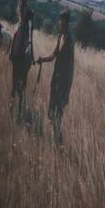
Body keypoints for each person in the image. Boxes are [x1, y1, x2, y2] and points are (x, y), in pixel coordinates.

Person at [35, 8, 77, 146]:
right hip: (56, 79)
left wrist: (66, 91)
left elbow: (71, 68)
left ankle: (58, 142)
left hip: (63, 82)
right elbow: (53, 55)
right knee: (52, 113)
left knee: (58, 114)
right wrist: (42, 59)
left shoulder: (69, 41)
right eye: (60, 20)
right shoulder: (60, 37)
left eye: (62, 20)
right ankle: (56, 139)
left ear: (67, 22)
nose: (60, 23)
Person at [8, 0, 35, 124]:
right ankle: (13, 106)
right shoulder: (20, 13)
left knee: (22, 84)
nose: (23, 2)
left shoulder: (29, 13)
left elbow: (30, 33)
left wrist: (31, 49)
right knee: (15, 82)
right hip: (17, 49)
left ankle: (18, 108)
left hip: (22, 47)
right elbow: (17, 32)